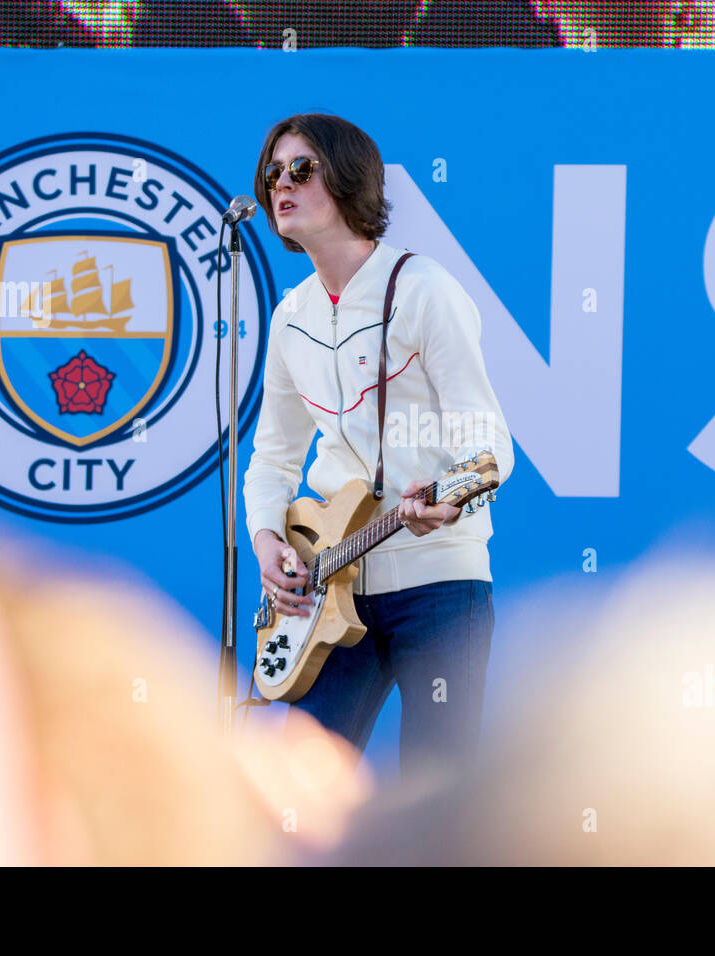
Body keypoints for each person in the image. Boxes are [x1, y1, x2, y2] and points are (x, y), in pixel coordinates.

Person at [242, 113, 515, 787]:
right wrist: (267, 537)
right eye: (274, 171)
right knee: (299, 798)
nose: (282, 183)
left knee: (436, 794)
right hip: (334, 589)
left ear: (347, 179)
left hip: (439, 583)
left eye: (301, 169)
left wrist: (448, 504)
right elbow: (273, 459)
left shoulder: (427, 291)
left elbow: (491, 448)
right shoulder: (291, 316)